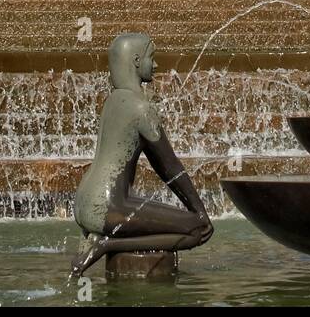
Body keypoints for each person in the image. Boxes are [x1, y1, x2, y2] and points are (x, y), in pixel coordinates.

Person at [71, 33, 213, 276]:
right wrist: (200, 212)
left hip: (83, 204)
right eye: (152, 58)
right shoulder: (141, 108)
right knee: (196, 230)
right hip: (107, 208)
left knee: (164, 215)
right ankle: (106, 245)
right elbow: (169, 167)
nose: (156, 65)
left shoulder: (113, 101)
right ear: (136, 61)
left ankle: (100, 240)